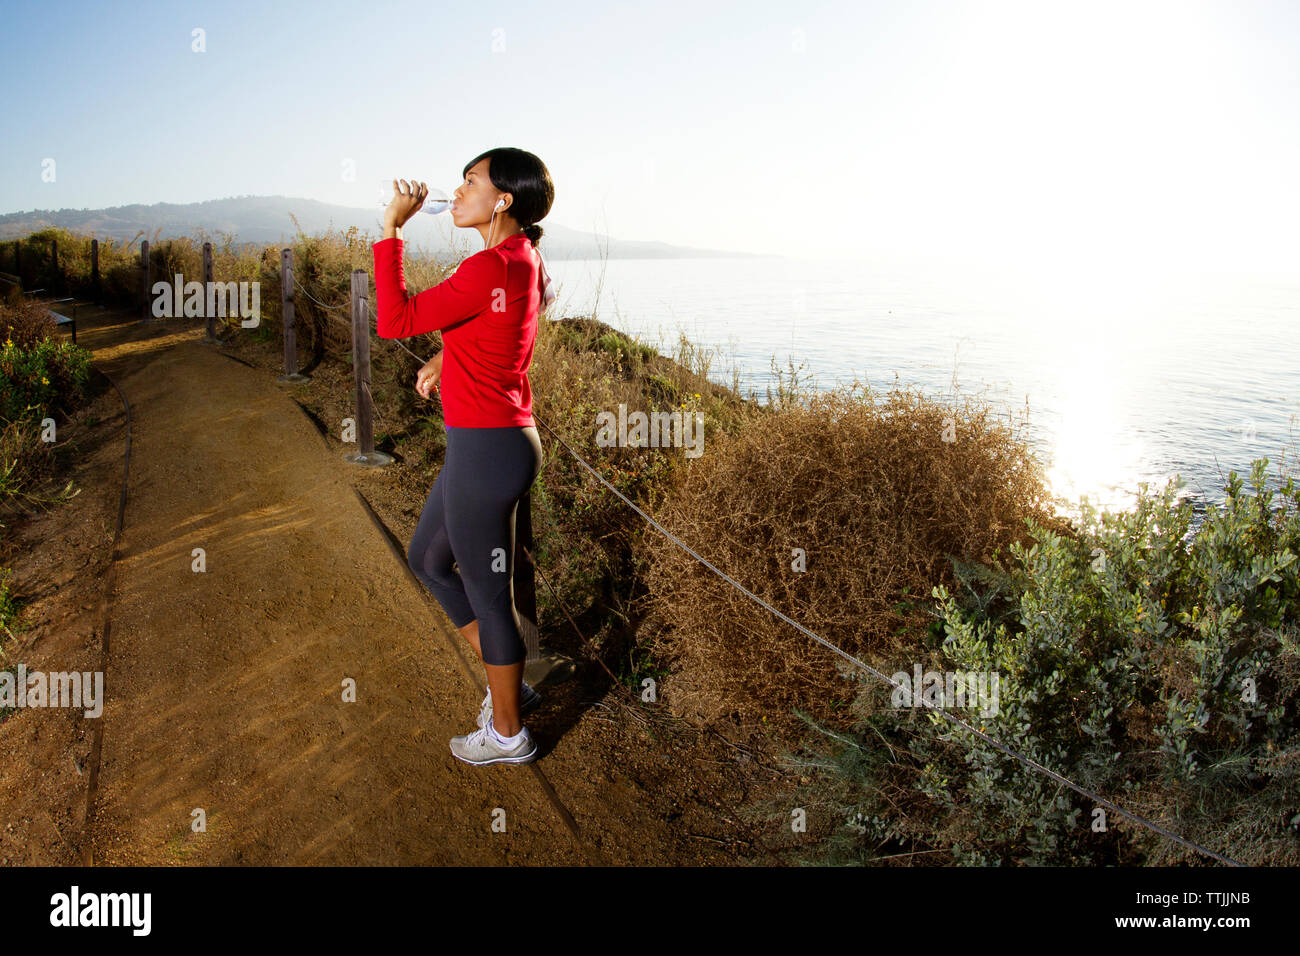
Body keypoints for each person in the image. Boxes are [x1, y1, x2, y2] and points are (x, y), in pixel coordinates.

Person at [374, 147, 555, 766]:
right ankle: (510, 685)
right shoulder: (518, 260)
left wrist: (394, 227)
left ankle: (508, 733)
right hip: (492, 443)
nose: (457, 190)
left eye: (470, 181)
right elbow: (511, 322)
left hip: (487, 447)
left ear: (503, 199)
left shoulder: (490, 268)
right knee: (428, 559)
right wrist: (450, 355)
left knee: (487, 593)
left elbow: (394, 320)